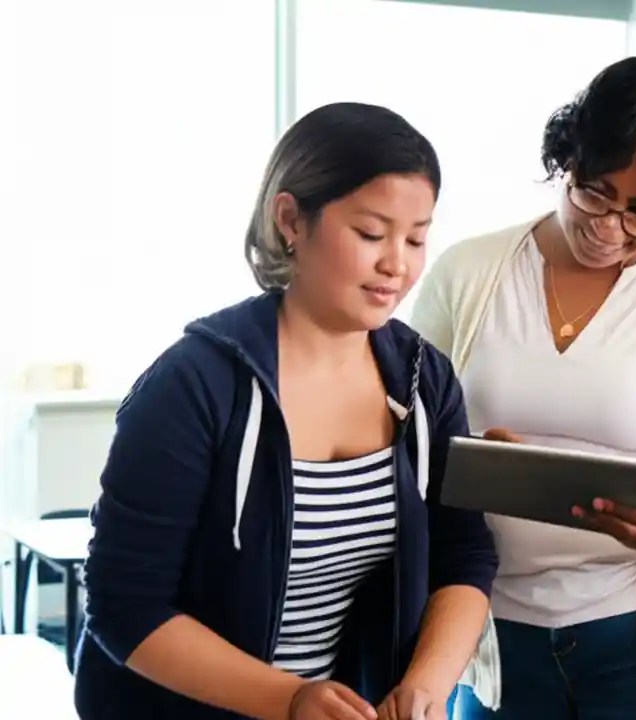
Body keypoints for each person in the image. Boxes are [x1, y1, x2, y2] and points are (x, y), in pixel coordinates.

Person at [74, 102, 498, 720]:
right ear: (291, 219)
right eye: (372, 234)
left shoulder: (423, 380)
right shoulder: (195, 384)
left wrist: (425, 688)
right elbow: (124, 604)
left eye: (416, 237)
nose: (397, 264)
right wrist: (289, 699)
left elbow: (465, 555)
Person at [412, 56, 636, 720]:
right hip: (488, 634)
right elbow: (400, 437)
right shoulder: (469, 273)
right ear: (565, 157)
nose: (607, 228)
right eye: (594, 192)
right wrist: (470, 461)